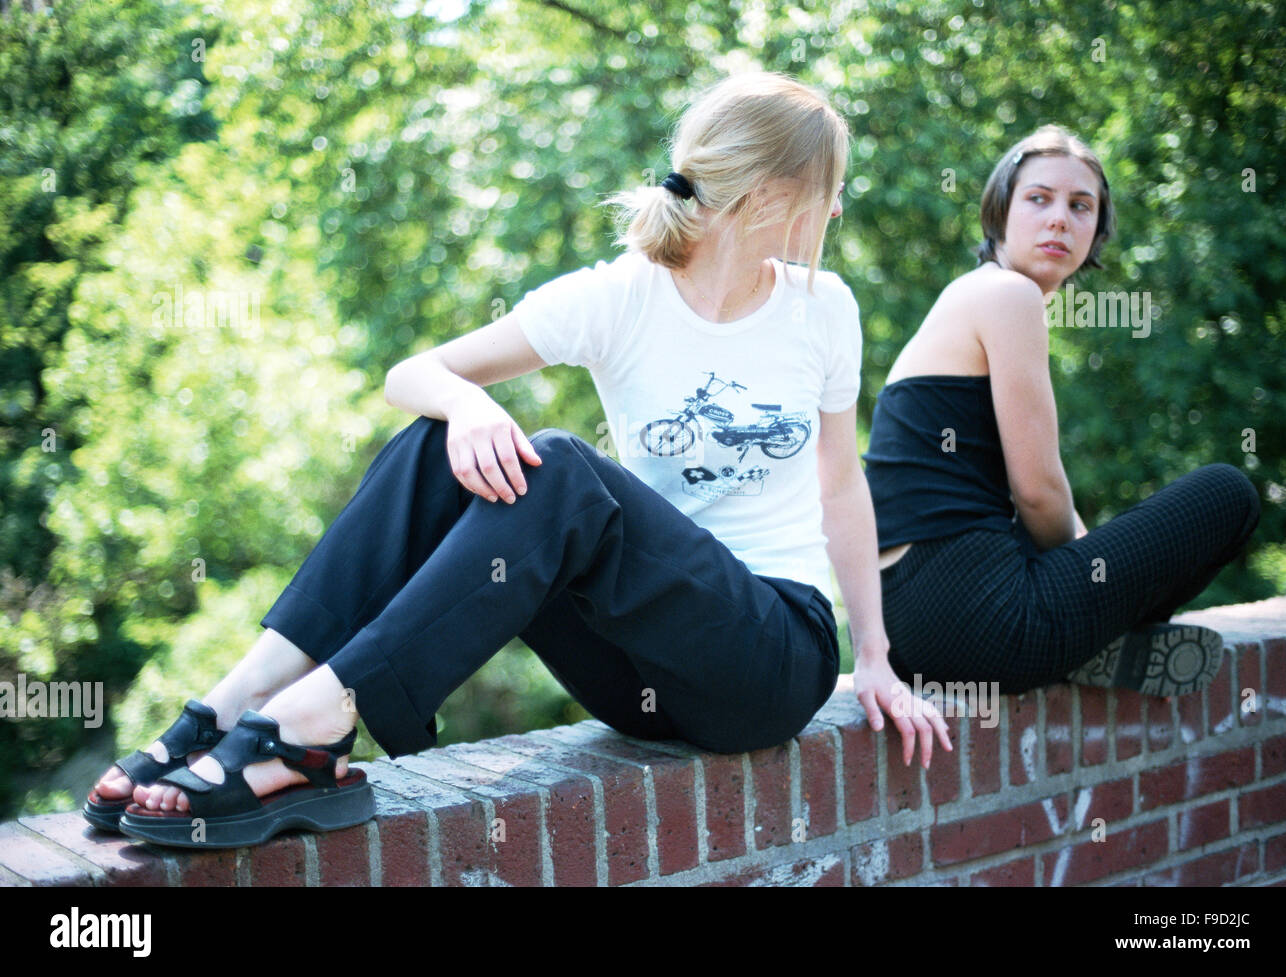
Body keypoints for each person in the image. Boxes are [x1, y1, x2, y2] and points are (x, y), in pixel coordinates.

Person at [84, 72, 951, 850]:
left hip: (767, 657)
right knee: (441, 443)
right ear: (770, 196)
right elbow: (412, 374)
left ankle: (317, 717)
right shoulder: (620, 297)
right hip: (637, 673)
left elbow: (842, 482)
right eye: (829, 193)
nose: (836, 215)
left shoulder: (822, 308)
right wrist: (465, 403)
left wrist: (873, 655)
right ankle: (233, 703)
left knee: (561, 464)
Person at [864, 124, 1260, 703]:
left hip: (909, 631)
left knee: (1077, 549)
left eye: (1081, 206)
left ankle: (1089, 641)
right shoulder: (1008, 296)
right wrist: (1100, 584)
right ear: (999, 213)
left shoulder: (969, 296)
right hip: (977, 617)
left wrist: (1092, 575)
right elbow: (1039, 493)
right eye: (1039, 198)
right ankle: (1095, 640)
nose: (1059, 219)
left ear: (1097, 230)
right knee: (1228, 494)